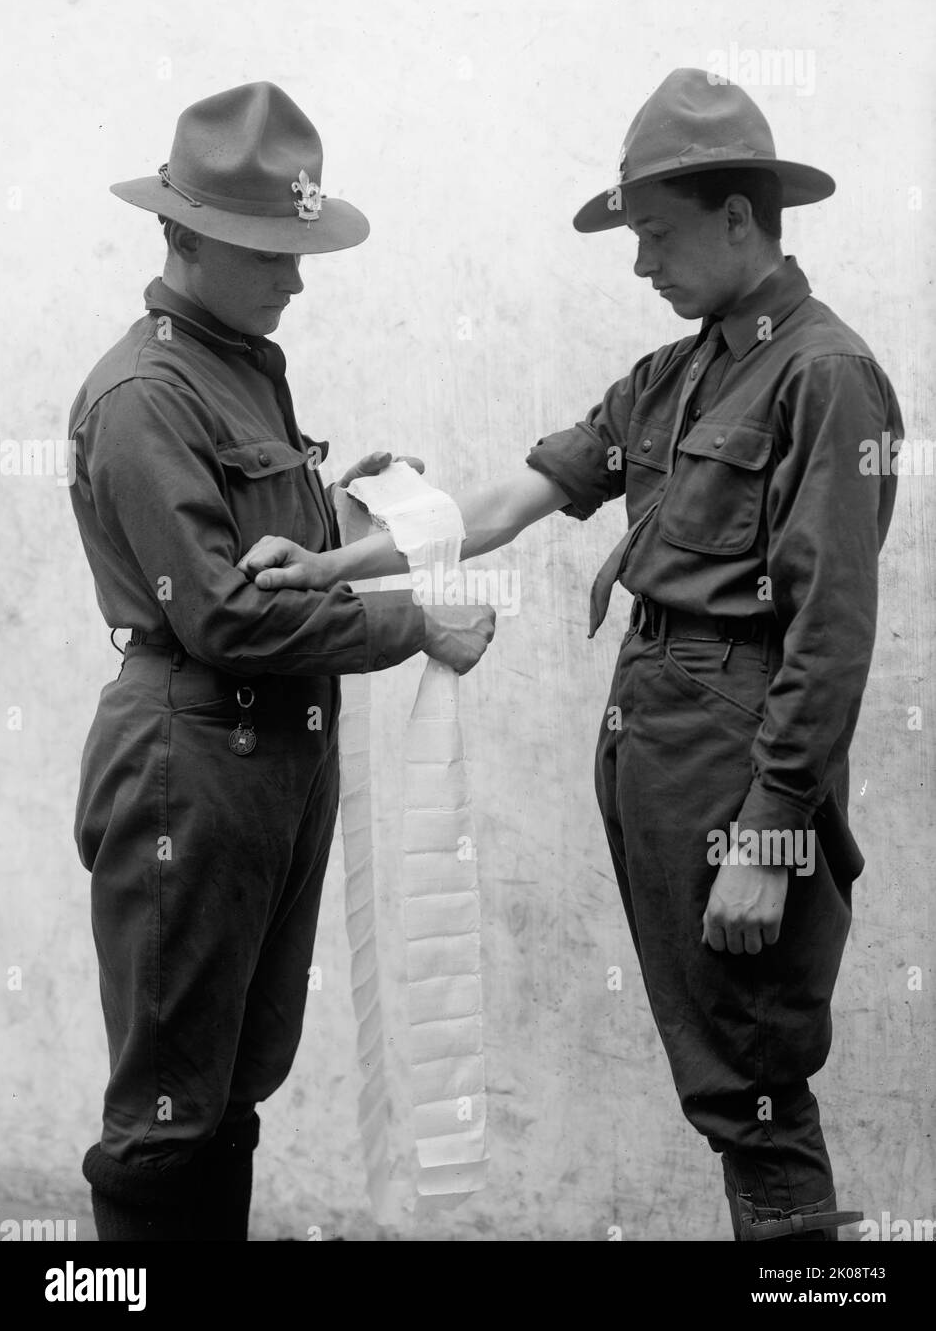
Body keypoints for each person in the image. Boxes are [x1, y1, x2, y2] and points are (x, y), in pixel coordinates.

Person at [239, 69, 903, 1241]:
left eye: (655, 235)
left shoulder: (822, 374)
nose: (640, 264)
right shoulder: (676, 372)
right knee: (718, 1066)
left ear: (737, 218)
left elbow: (829, 629)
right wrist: (333, 565)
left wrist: (771, 829)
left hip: (734, 752)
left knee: (750, 1075)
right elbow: (509, 499)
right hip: (654, 738)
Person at [68, 80, 495, 1241]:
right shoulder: (147, 392)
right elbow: (223, 618)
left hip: (271, 764)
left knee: (234, 1082)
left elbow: (270, 561)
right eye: (269, 252)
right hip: (190, 767)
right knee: (167, 1107)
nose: (295, 277)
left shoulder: (240, 358)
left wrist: (352, 516)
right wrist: (415, 621)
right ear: (185, 236)